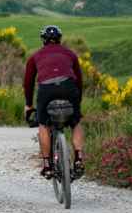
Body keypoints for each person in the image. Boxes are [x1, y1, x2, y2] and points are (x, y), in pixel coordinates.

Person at [23, 25, 85, 179]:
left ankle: (47, 165)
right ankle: (78, 158)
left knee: (43, 124)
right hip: (69, 87)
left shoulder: (35, 56)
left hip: (46, 89)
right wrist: (77, 102)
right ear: (60, 39)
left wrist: (29, 104)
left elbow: (28, 83)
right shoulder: (70, 54)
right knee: (76, 122)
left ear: (43, 40)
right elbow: (79, 80)